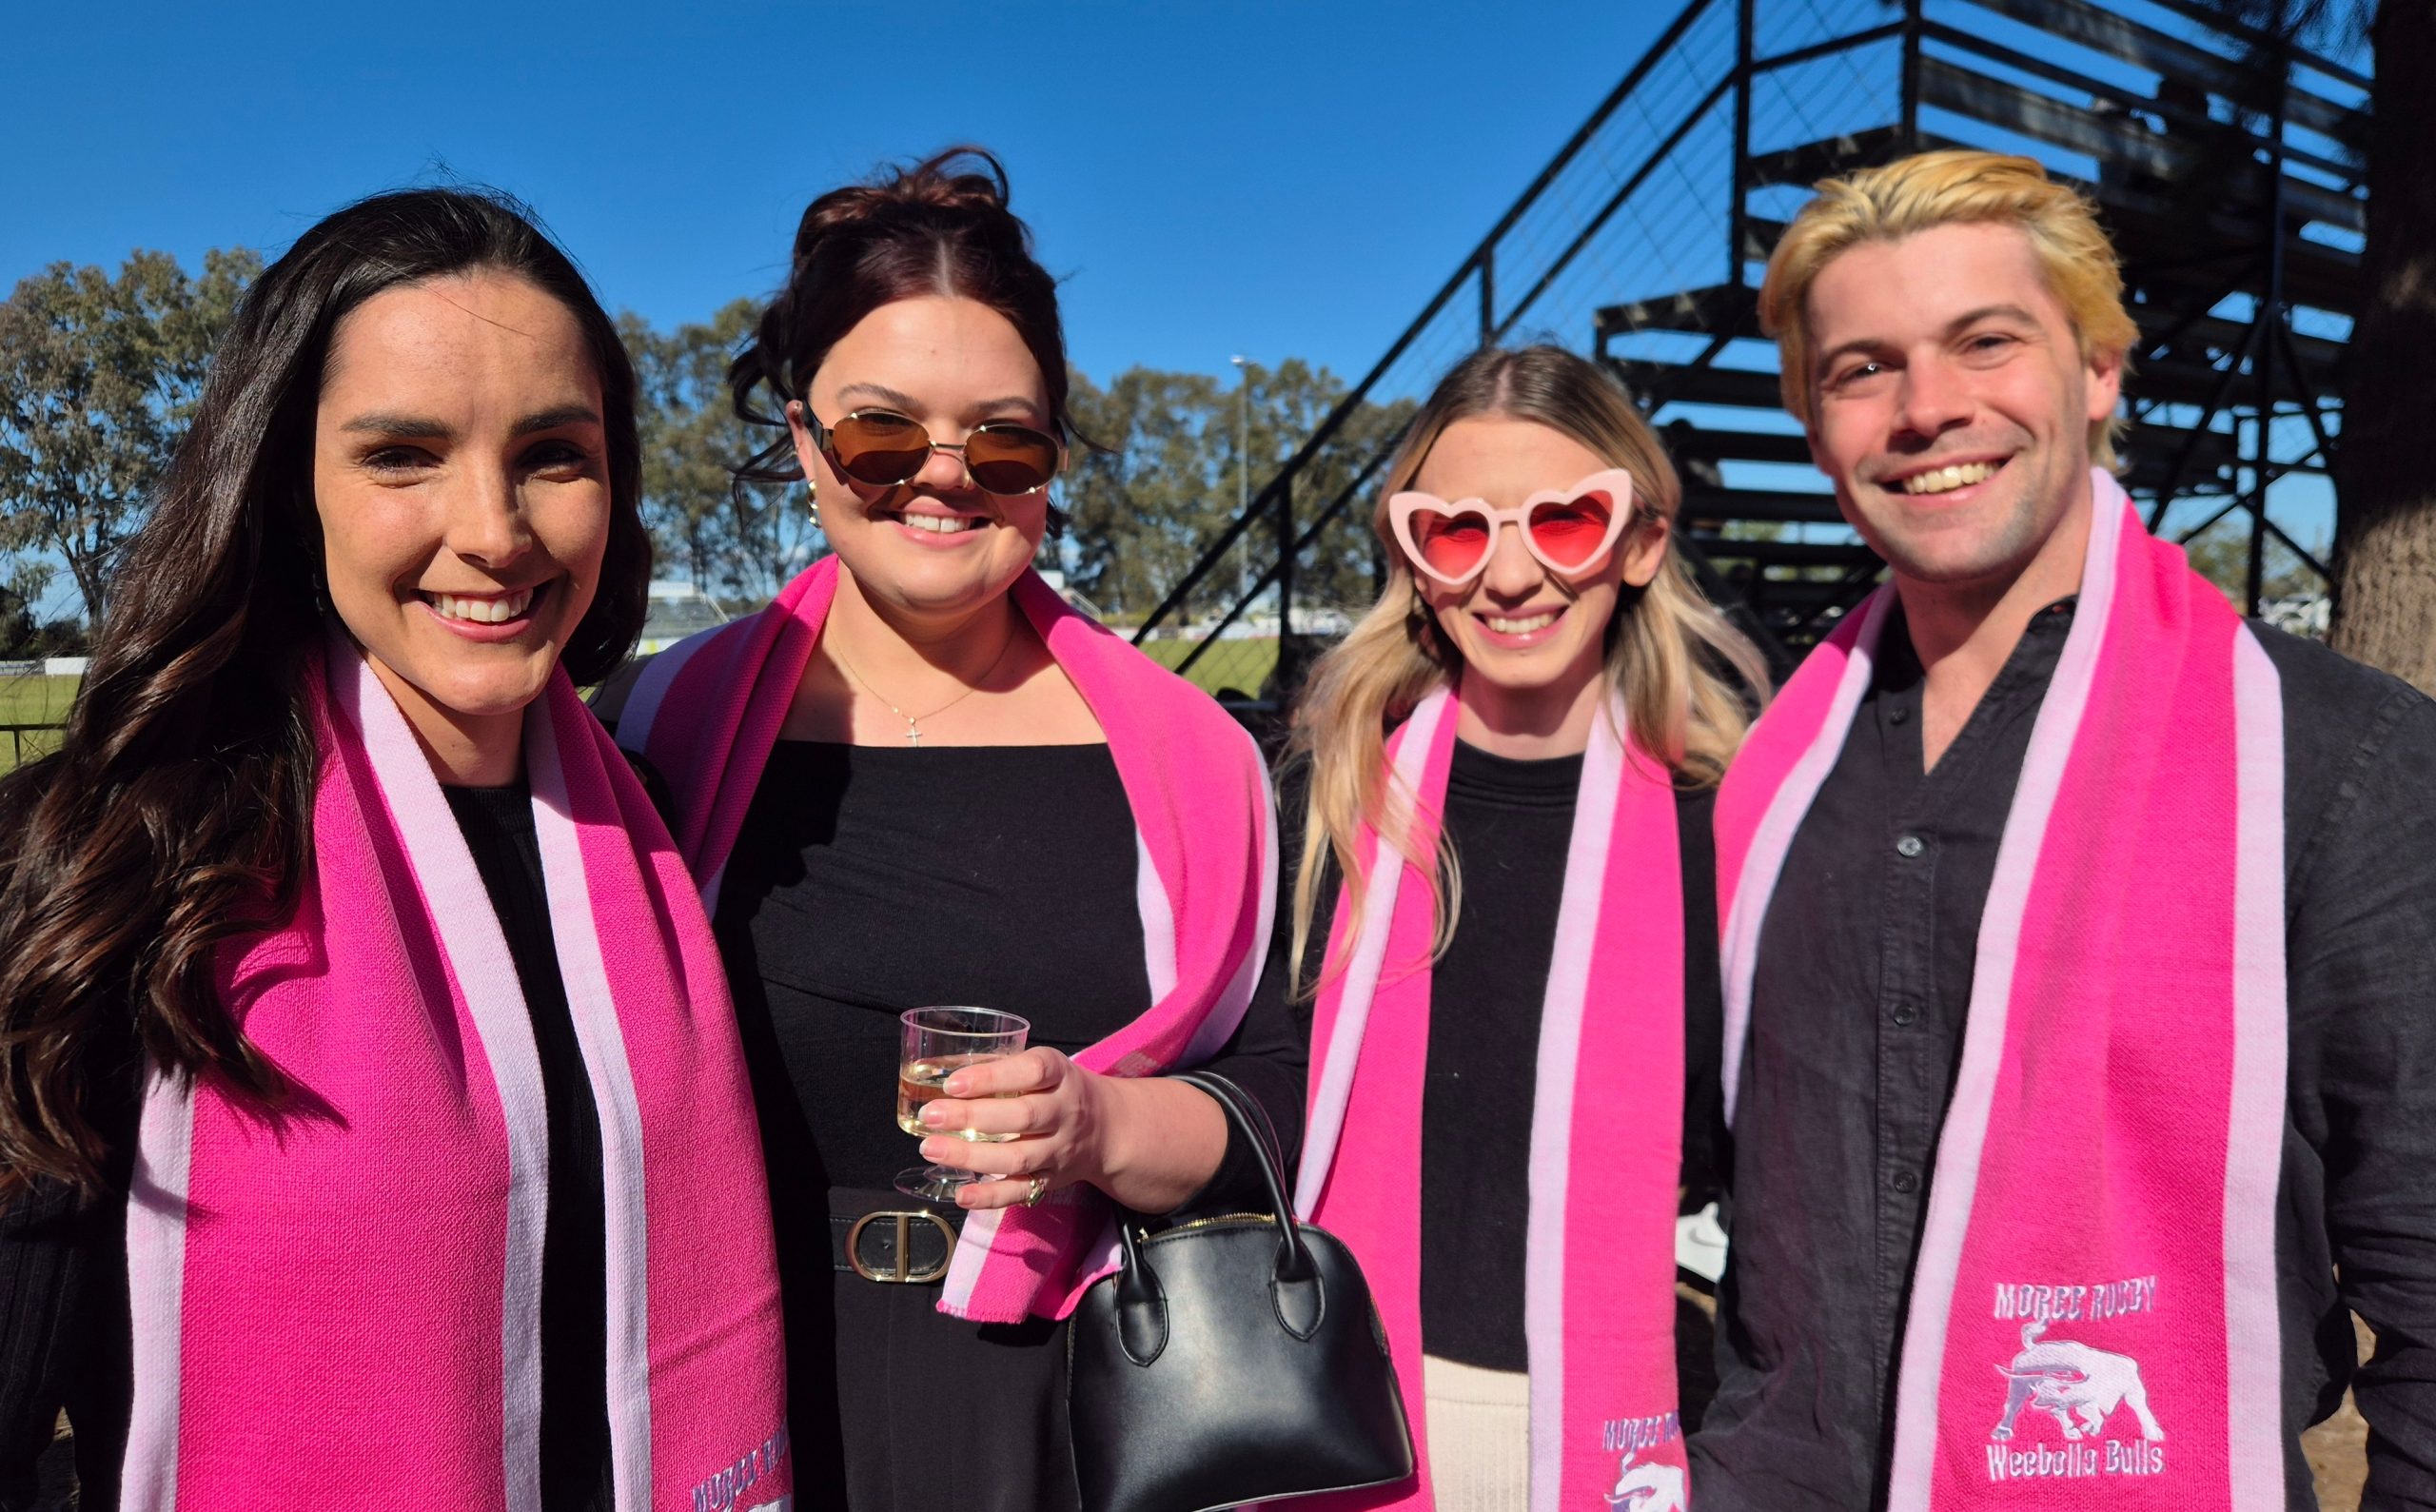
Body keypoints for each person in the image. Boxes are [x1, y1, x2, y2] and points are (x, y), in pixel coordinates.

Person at [0, 190, 791, 1509]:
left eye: (552, 453)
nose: (494, 528)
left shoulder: (653, 843)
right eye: (403, 455)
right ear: (288, 485)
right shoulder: (112, 857)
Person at [1689, 148, 2436, 1509]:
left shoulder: (2333, 760)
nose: (1928, 410)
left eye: (1987, 342)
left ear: (2098, 370)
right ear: (1815, 423)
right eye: (1862, 368)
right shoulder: (1766, 780)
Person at [601, 148, 1298, 1510]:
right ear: (802, 440)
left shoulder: (1198, 758)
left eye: (1003, 439)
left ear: (1048, 464)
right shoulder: (653, 731)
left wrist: (1096, 1124)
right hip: (735, 1387)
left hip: (1075, 1401)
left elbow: (1272, 1084)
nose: (943, 478)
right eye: (878, 432)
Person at [1269, 344, 1768, 1509]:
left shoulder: (1734, 825)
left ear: (1640, 541)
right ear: (1412, 553)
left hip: (1620, 1427)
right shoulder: (1324, 805)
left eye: (1564, 521)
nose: (1507, 574)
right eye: (1457, 529)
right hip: (1336, 1409)